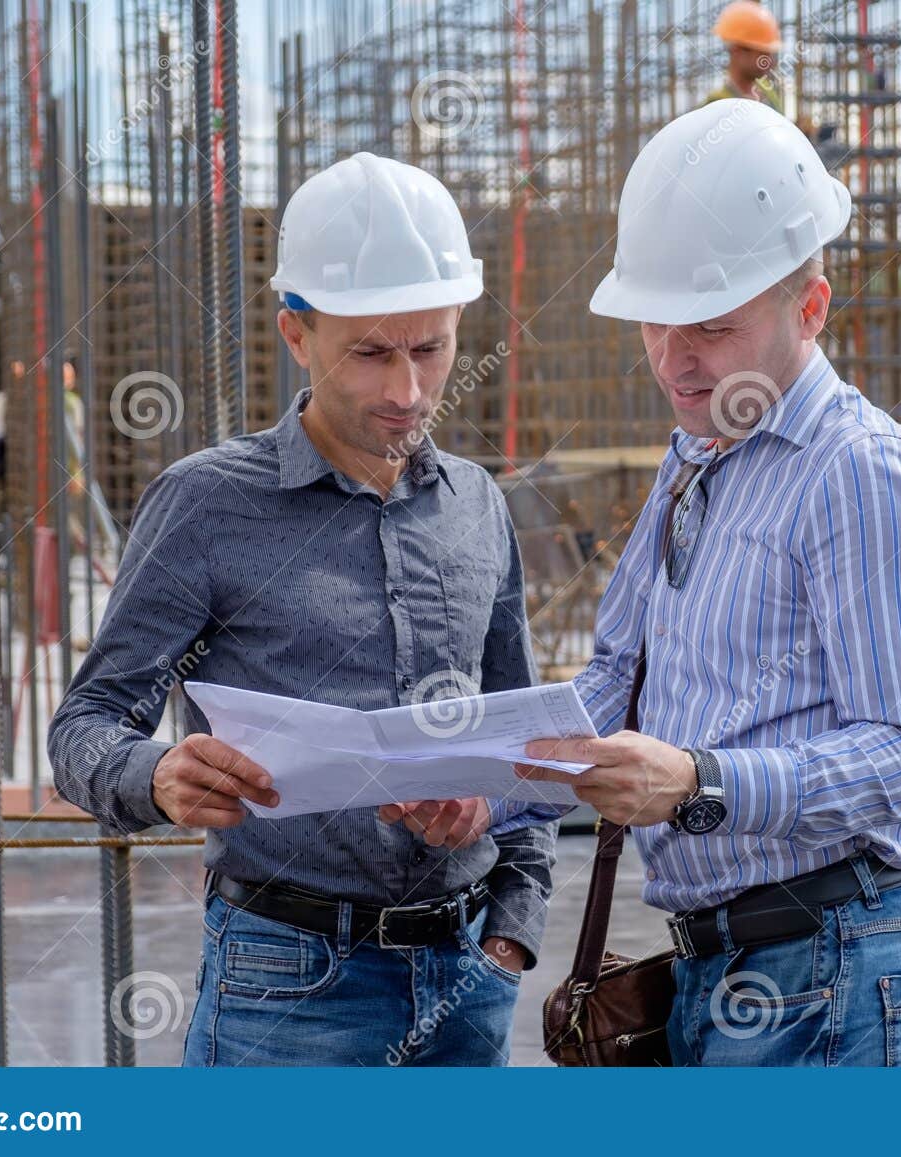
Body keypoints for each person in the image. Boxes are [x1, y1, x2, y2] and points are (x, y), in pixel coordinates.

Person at [49, 152, 557, 1067]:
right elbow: (83, 726)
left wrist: (512, 927)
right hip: (287, 987)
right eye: (370, 353)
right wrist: (156, 775)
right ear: (296, 332)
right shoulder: (206, 505)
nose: (406, 391)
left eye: (431, 348)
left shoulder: (478, 505)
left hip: (468, 981)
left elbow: (528, 742)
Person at [518, 101, 901, 1067]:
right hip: (726, 964)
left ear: (809, 309)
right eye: (656, 321)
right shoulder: (696, 455)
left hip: (832, 964)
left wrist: (699, 782)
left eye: (714, 327)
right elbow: (618, 673)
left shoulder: (855, 472)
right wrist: (486, 781)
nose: (674, 358)